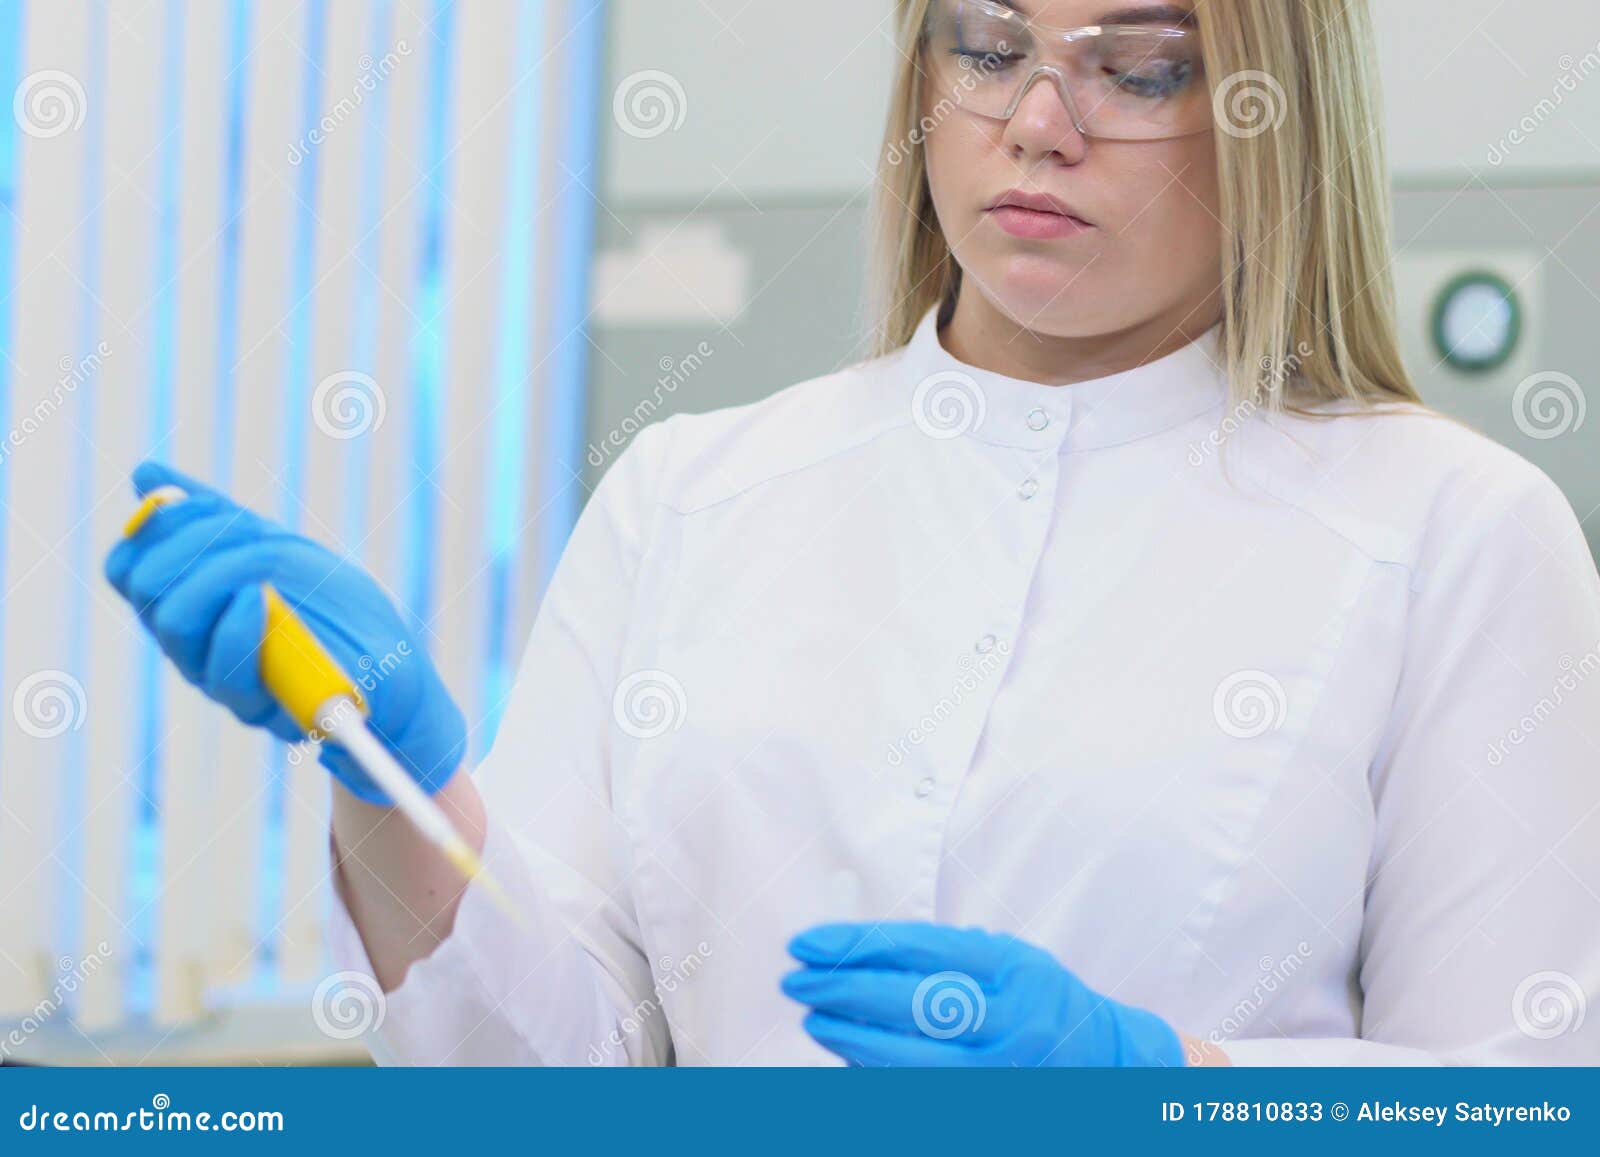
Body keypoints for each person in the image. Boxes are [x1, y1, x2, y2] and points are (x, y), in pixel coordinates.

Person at [105, 0, 1600, 1066]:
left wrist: (1160, 1080)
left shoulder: (1455, 533)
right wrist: (396, 780)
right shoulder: (693, 491)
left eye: (1139, 68)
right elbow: (556, 1076)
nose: (1039, 124)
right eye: (990, 48)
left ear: (1278, 112)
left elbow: (1515, 1098)